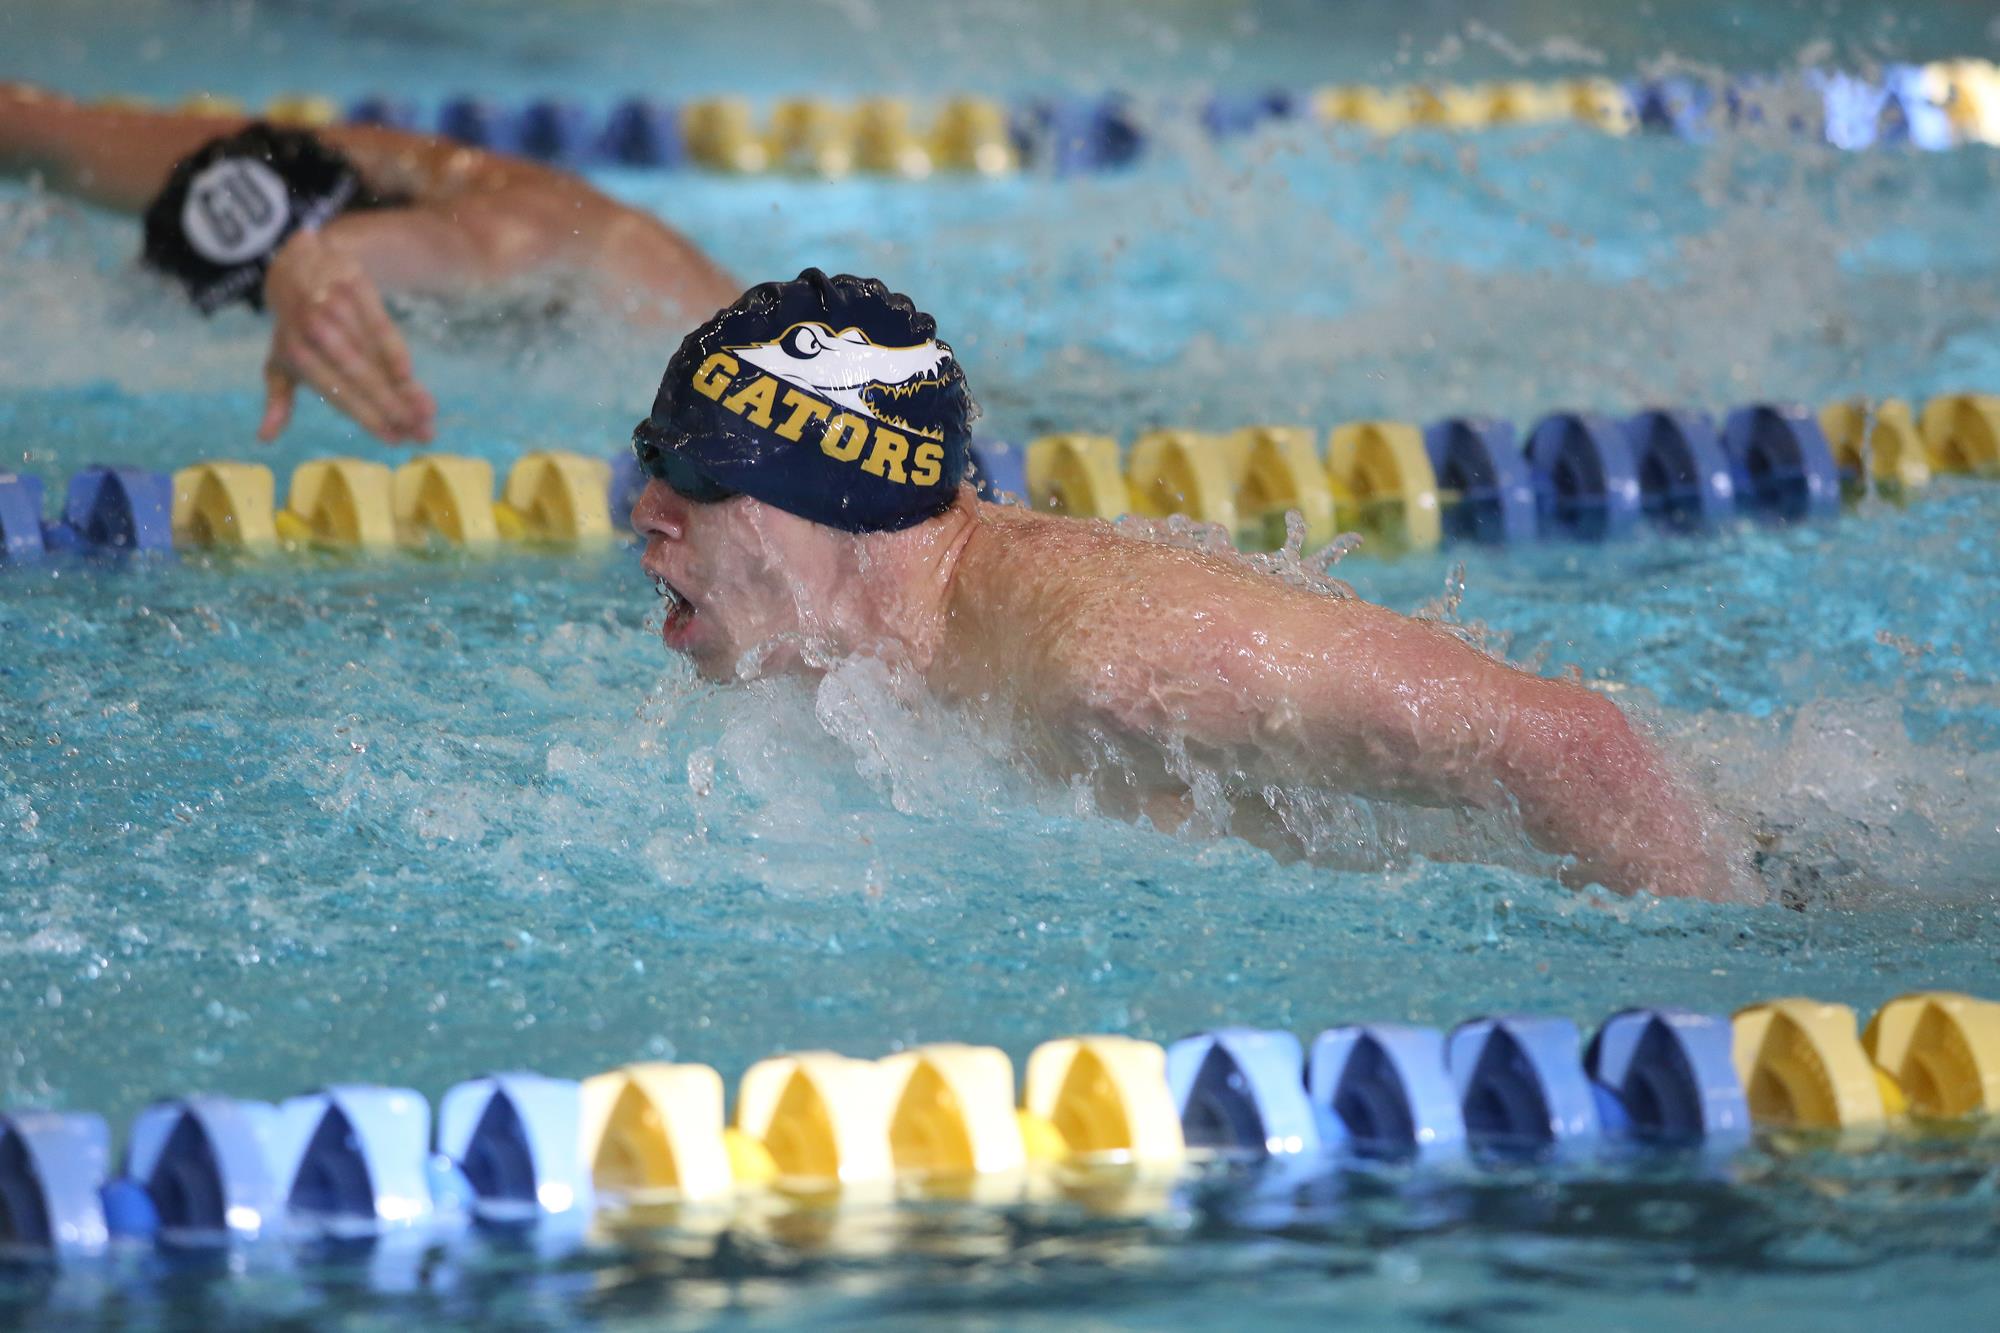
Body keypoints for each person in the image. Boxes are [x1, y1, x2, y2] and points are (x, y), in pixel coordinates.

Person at [629, 268, 1741, 902]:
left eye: (696, 473)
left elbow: (1572, 747)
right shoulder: (874, 666)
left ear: (835, 498)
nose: (646, 510)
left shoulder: (1107, 663)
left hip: (1752, 871)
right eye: (651, 462)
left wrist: (1732, 981)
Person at [0, 83, 737, 444]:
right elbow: (56, 137)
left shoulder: (521, 226)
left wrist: (311, 264)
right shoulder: (326, 157)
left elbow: (464, 250)